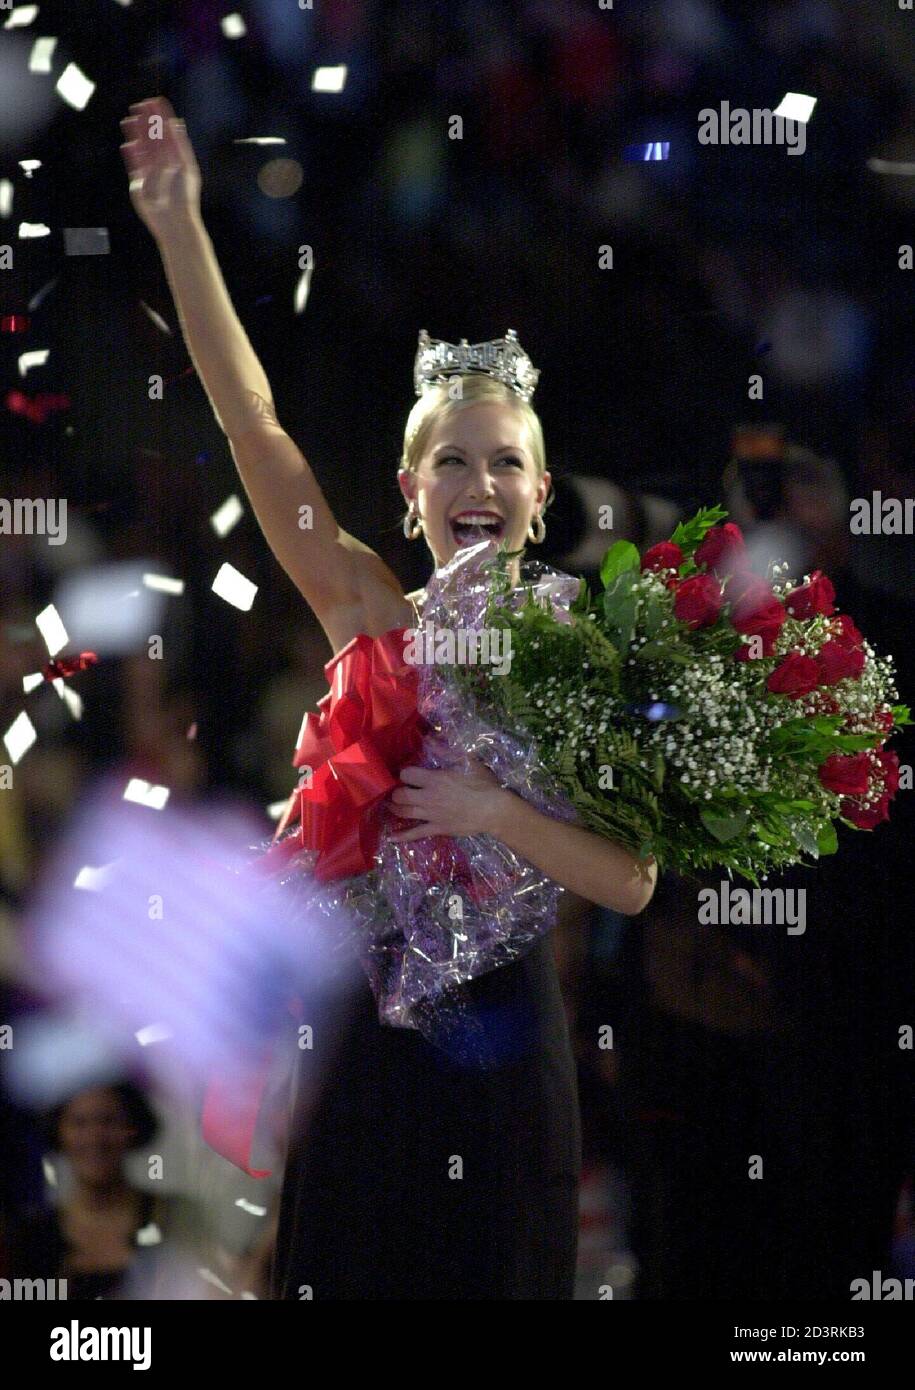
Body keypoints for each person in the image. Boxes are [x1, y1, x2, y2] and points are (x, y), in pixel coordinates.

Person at [119, 96, 656, 1299]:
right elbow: (251, 422)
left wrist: (495, 811)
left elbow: (632, 879)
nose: (480, 481)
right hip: (364, 1038)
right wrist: (178, 228)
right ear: (411, 489)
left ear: (540, 488)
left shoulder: (594, 650)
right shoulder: (368, 609)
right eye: (452, 460)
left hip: (512, 1046)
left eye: (504, 460)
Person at [4, 1080, 213, 1300]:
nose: (95, 1138)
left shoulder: (176, 1217)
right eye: (79, 1123)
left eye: (109, 1121)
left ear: (134, 1129)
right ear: (58, 1131)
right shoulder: (30, 1237)